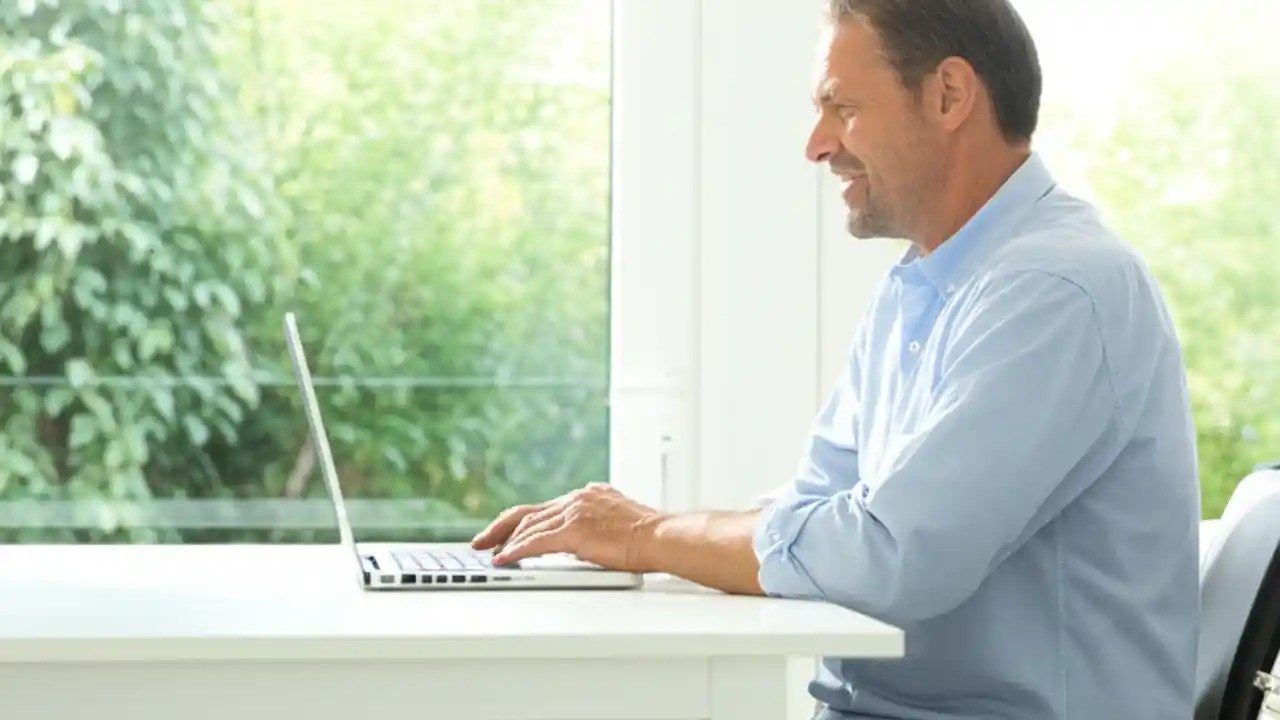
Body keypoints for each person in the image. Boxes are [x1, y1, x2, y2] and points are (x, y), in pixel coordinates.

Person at [471, 0, 1201, 717]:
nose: (816, 144)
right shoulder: (922, 287)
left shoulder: (1056, 291)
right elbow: (815, 513)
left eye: (841, 107)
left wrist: (644, 537)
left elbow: (891, 556)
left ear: (949, 95)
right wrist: (634, 535)